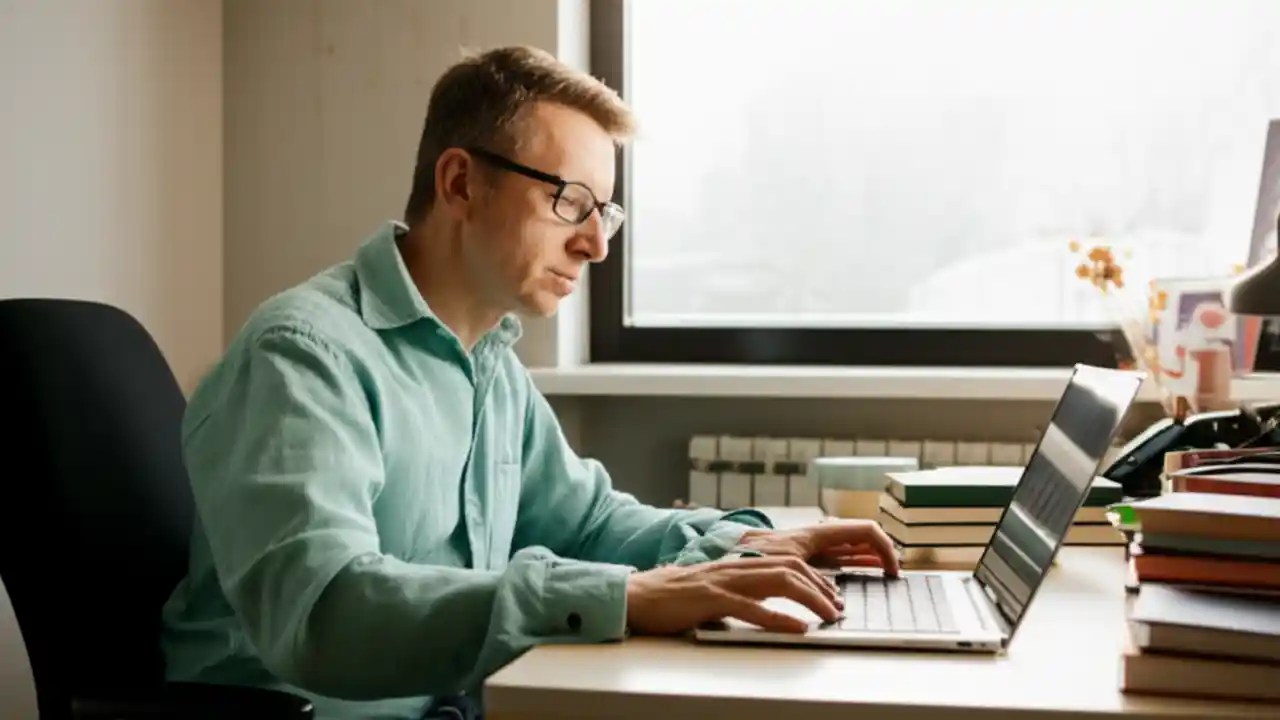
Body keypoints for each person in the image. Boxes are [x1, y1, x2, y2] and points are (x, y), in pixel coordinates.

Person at [160, 45, 899, 720]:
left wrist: (760, 542)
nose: (596, 243)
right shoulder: (302, 356)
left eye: (604, 210)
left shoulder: (487, 362)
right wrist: (626, 597)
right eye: (569, 201)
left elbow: (588, 524)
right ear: (460, 184)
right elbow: (327, 614)